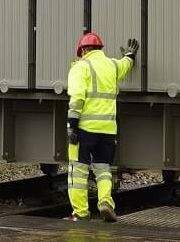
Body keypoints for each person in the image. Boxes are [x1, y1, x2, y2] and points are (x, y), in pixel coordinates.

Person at [65, 32, 139, 222]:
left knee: (78, 171)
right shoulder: (112, 65)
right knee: (103, 168)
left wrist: (71, 125)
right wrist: (130, 56)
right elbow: (125, 65)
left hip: (85, 129)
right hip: (107, 130)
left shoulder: (81, 67)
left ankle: (80, 213)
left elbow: (77, 98)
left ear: (83, 50)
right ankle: (105, 202)